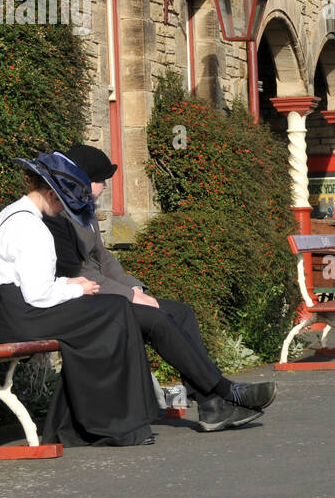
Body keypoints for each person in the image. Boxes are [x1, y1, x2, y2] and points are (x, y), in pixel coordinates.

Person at [42, 144, 275, 432]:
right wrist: (129, 296)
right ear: (82, 180)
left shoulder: (84, 212)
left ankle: (210, 407)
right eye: (101, 181)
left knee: (181, 312)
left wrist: (137, 290)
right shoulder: (59, 217)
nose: (104, 187)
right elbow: (81, 273)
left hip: (107, 296)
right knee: (157, 320)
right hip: (85, 302)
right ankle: (225, 391)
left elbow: (105, 260)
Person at [0, 151, 159, 446]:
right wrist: (78, 289)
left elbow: (32, 283)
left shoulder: (17, 215)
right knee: (112, 311)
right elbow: (37, 295)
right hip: (20, 319)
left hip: (16, 311)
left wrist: (69, 282)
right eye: (61, 203)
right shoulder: (31, 227)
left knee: (113, 308)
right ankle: (109, 423)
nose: (61, 210)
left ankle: (85, 422)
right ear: (51, 193)